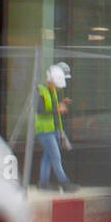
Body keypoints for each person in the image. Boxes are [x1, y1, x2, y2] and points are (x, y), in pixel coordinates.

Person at [34, 64, 77, 193]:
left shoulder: (51, 91)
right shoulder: (40, 90)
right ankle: (65, 183)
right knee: (56, 156)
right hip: (44, 130)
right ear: (51, 80)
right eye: (55, 84)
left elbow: (52, 107)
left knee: (48, 157)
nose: (57, 87)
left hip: (51, 129)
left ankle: (43, 183)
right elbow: (40, 110)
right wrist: (57, 109)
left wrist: (61, 103)